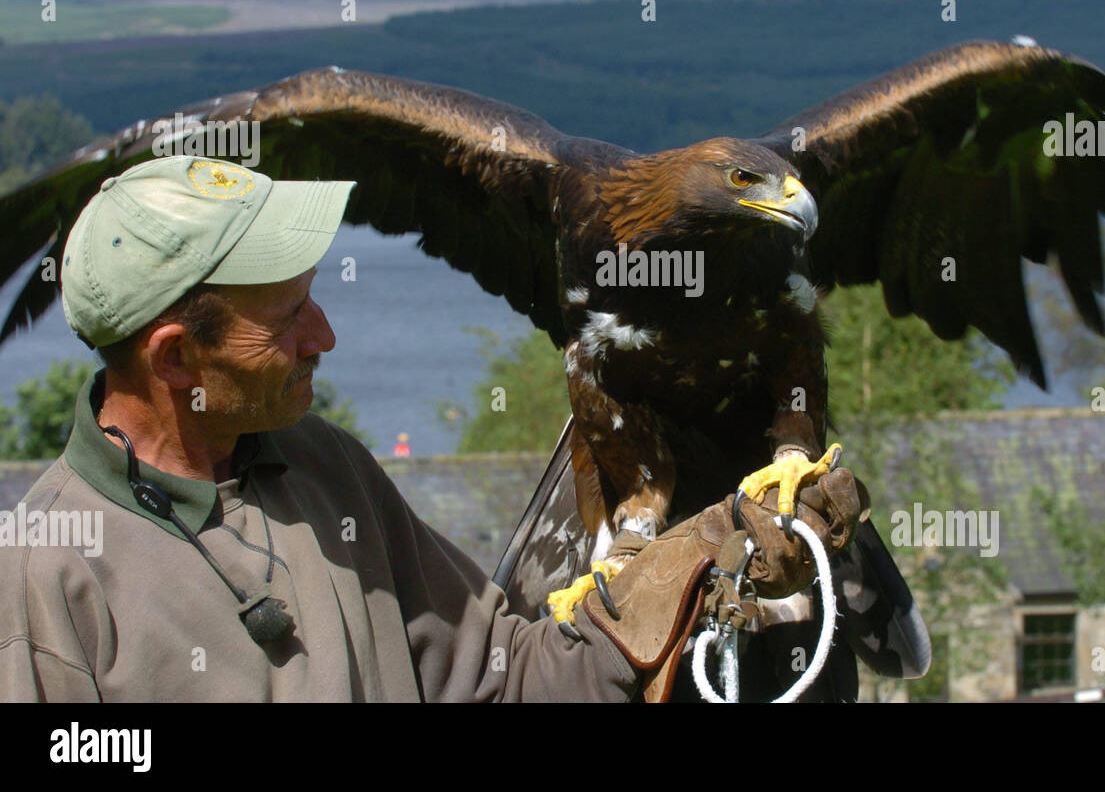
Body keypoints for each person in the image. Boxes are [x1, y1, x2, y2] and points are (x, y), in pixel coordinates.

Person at [0, 155, 868, 702]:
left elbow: (505, 674)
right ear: (177, 359)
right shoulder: (47, 578)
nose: (325, 339)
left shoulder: (326, 470)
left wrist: (675, 596)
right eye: (289, 318)